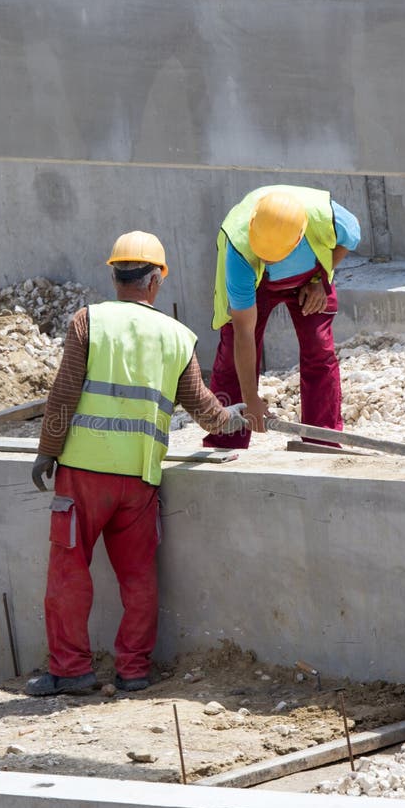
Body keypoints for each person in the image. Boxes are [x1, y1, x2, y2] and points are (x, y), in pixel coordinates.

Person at [26, 231, 247, 697]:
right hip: (140, 480)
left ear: (114, 275)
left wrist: (48, 448)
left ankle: (71, 670)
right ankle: (133, 670)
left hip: (82, 474)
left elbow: (63, 393)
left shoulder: (89, 322)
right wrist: (232, 418)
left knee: (69, 572)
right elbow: (203, 408)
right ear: (156, 281)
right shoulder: (177, 337)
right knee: (138, 576)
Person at [203, 185, 361, 449]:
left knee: (319, 351)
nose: (266, 258)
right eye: (262, 252)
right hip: (257, 281)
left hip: (308, 276)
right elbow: (244, 332)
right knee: (233, 357)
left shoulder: (330, 218)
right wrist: (250, 398)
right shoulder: (240, 251)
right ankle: (225, 441)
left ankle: (321, 439)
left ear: (299, 239)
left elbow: (350, 237)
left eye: (273, 257)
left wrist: (320, 280)